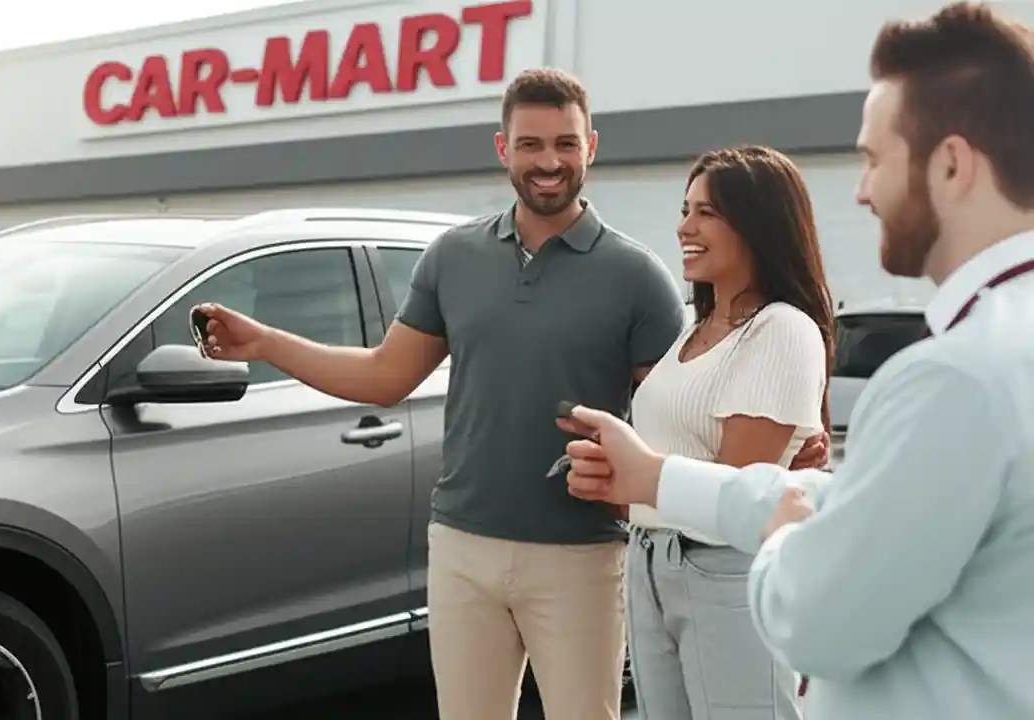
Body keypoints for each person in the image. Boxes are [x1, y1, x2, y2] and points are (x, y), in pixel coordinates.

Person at [196, 68, 826, 720]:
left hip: (584, 557)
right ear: (504, 149)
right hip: (462, 547)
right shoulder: (452, 257)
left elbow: (680, 409)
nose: (549, 161)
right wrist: (267, 342)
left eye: (565, 143)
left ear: (592, 147)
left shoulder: (640, 278)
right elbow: (384, 376)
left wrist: (779, 464)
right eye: (531, 144)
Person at [556, 3, 1034, 719]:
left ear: (952, 163)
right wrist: (665, 478)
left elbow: (818, 620)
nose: (861, 190)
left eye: (874, 159)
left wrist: (789, 538)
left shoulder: (955, 379)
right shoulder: (995, 353)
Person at [611, 145, 833, 720]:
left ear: (758, 223)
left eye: (706, 212)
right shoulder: (695, 330)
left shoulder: (782, 329)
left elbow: (735, 491)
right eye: (686, 209)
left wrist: (634, 476)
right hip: (650, 560)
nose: (684, 226)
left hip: (720, 567)